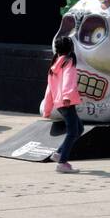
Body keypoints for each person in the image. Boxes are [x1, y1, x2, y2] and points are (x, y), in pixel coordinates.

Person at [41, 36, 82, 173]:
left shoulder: (54, 65)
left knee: (79, 129)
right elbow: (68, 80)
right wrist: (67, 96)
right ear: (70, 48)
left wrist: (47, 109)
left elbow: (49, 89)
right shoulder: (68, 62)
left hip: (61, 103)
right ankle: (62, 163)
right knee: (72, 132)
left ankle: (59, 153)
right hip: (67, 102)